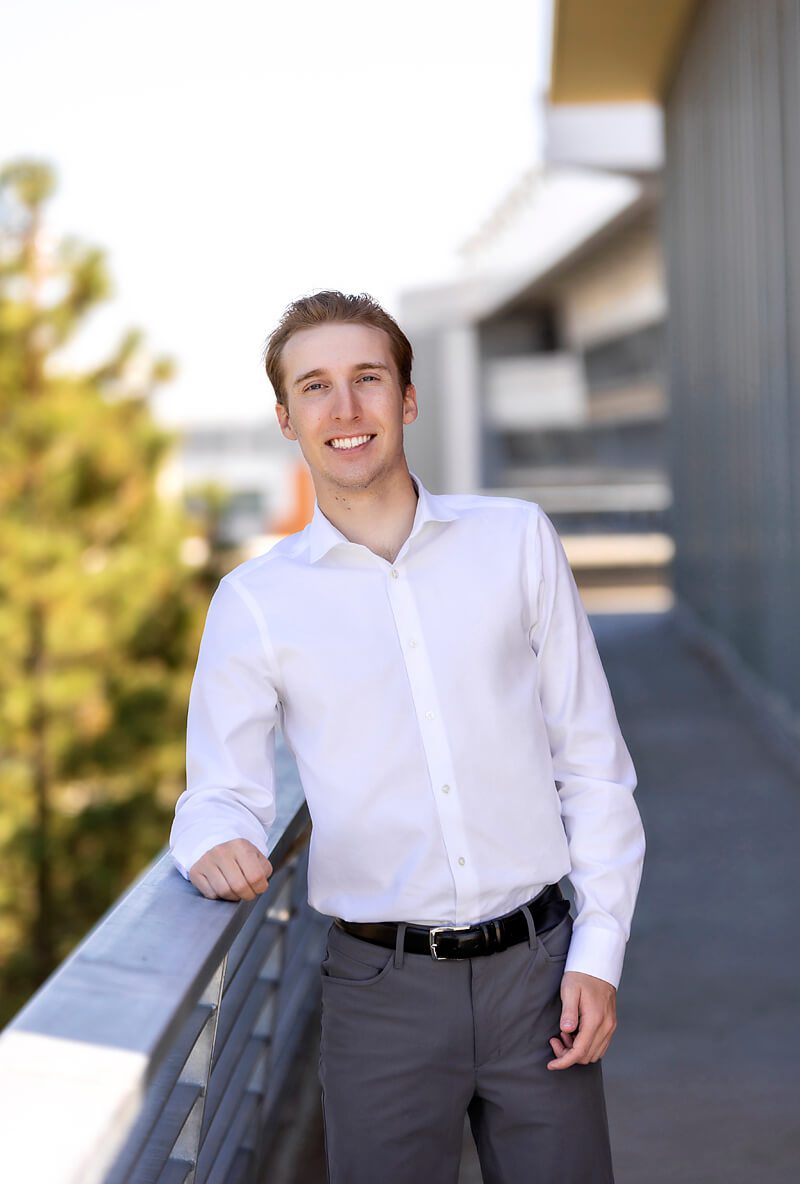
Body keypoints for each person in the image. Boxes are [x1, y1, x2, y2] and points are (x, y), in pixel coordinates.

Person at [169, 290, 646, 1183]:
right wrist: (211, 842)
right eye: (315, 387)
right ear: (285, 418)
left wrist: (600, 952)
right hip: (379, 993)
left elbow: (594, 767)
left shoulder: (516, 541)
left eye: (368, 379)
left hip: (541, 977)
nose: (344, 410)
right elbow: (218, 795)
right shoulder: (256, 602)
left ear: (408, 399)